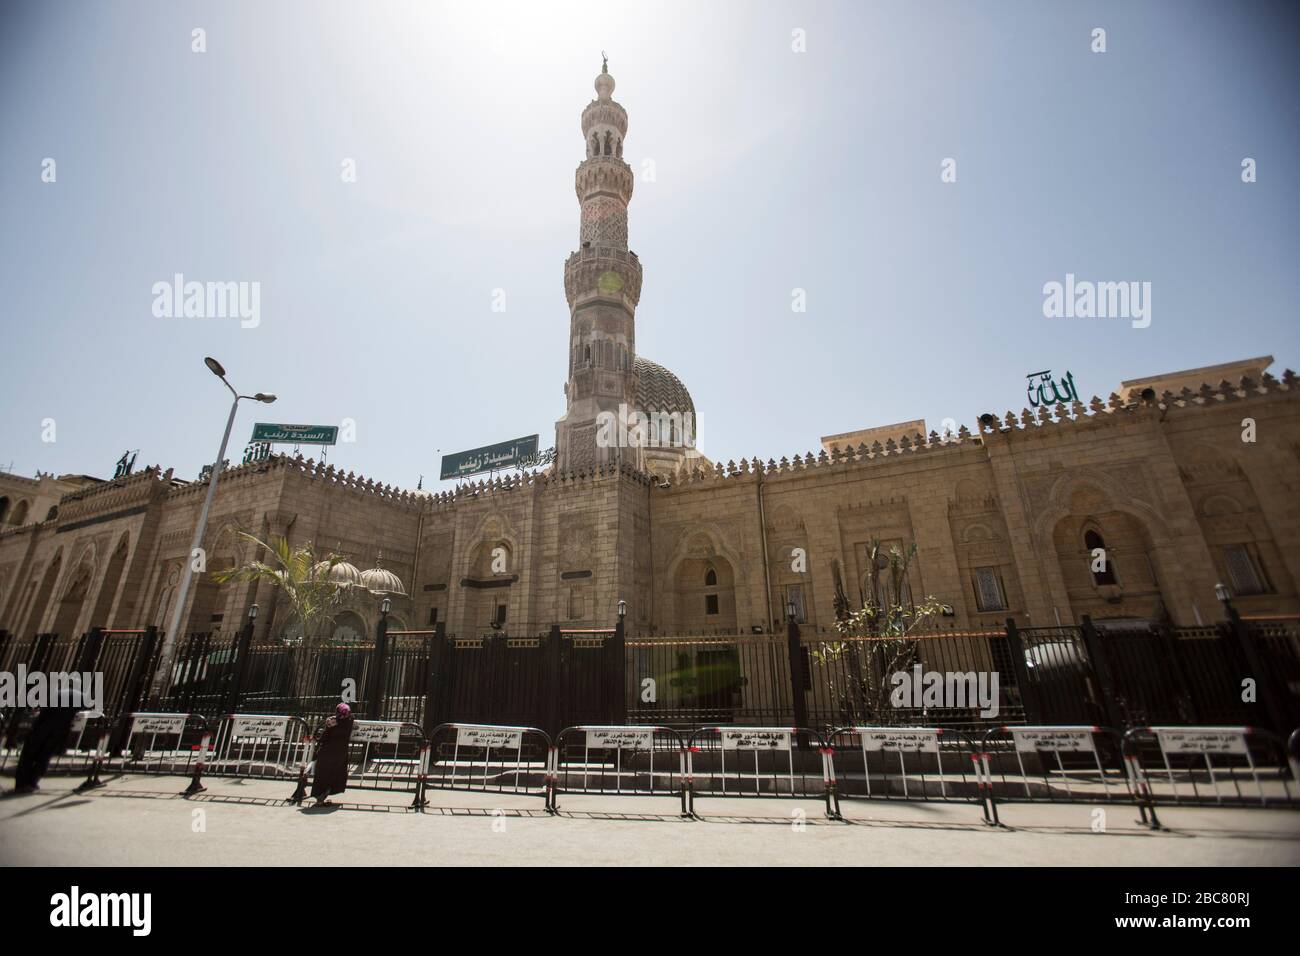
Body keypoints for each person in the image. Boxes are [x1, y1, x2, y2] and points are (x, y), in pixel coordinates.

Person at [12, 684, 85, 794]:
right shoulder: (81, 697)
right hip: (59, 730)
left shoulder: (58, 693)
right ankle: (32, 782)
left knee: (28, 755)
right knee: (45, 756)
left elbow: (45, 710)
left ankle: (21, 783)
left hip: (43, 727)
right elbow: (80, 714)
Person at [309, 703, 355, 806]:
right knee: (336, 774)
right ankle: (328, 792)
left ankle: (320, 797)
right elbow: (350, 717)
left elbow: (324, 737)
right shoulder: (349, 721)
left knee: (323, 774)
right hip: (341, 752)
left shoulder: (332, 722)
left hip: (327, 751)